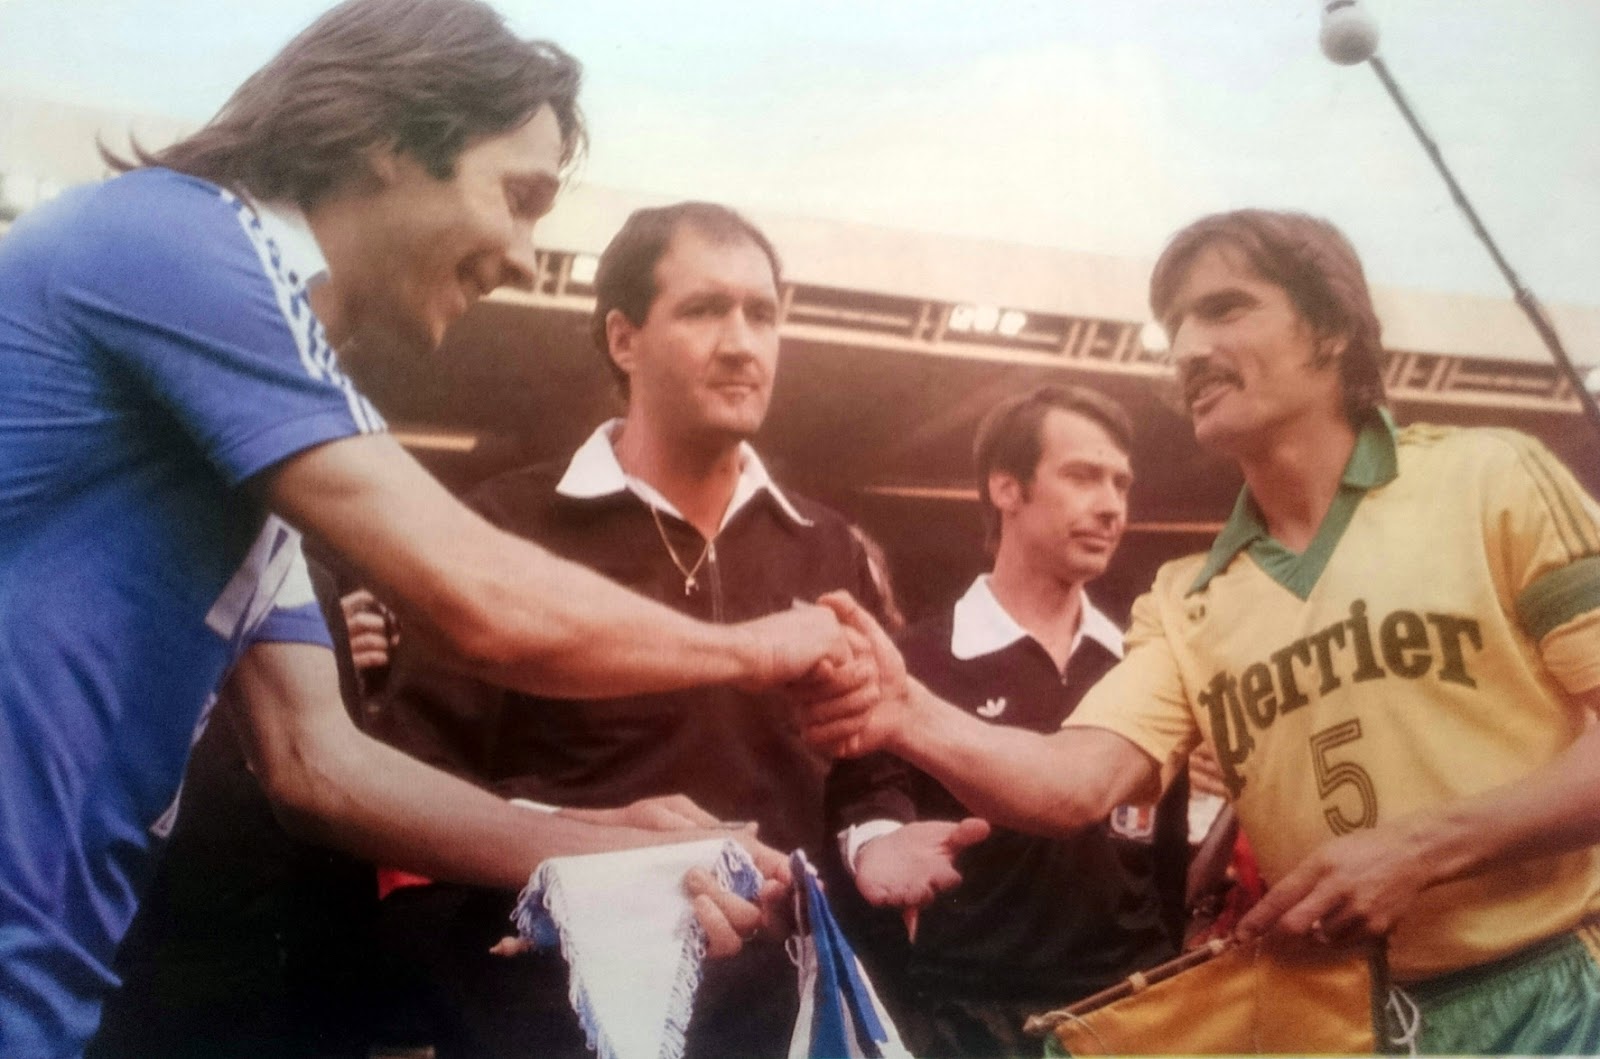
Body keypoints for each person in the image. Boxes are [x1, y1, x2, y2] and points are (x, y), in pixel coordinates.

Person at [0, 3, 858, 1054]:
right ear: (389, 138)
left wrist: (603, 847)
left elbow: (321, 766)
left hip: (48, 996)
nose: (527, 256)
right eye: (518, 197)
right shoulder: (176, 238)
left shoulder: (240, 463)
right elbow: (477, 599)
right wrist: (754, 648)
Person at [802, 209, 1600, 1055]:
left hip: (1539, 1001)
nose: (1185, 348)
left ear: (1330, 328)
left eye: (1224, 308)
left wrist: (1421, 849)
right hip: (1327, 1025)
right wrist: (908, 712)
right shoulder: (1188, 595)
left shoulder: (1493, 479)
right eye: (1175, 325)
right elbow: (1074, 783)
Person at [369, 200, 898, 1058]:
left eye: (762, 313)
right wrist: (602, 845)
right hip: (557, 1019)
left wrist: (880, 836)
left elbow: (866, 771)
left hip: (776, 1019)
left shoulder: (828, 545)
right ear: (624, 338)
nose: (742, 342)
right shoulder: (503, 526)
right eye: (705, 309)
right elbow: (410, 783)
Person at [827, 385, 1188, 1057]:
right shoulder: (916, 661)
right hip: (972, 1023)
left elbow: (1165, 864)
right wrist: (877, 842)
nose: (1110, 505)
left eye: (1121, 483)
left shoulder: (1144, 664)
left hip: (1133, 1010)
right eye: (1083, 476)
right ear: (1006, 488)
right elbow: (867, 797)